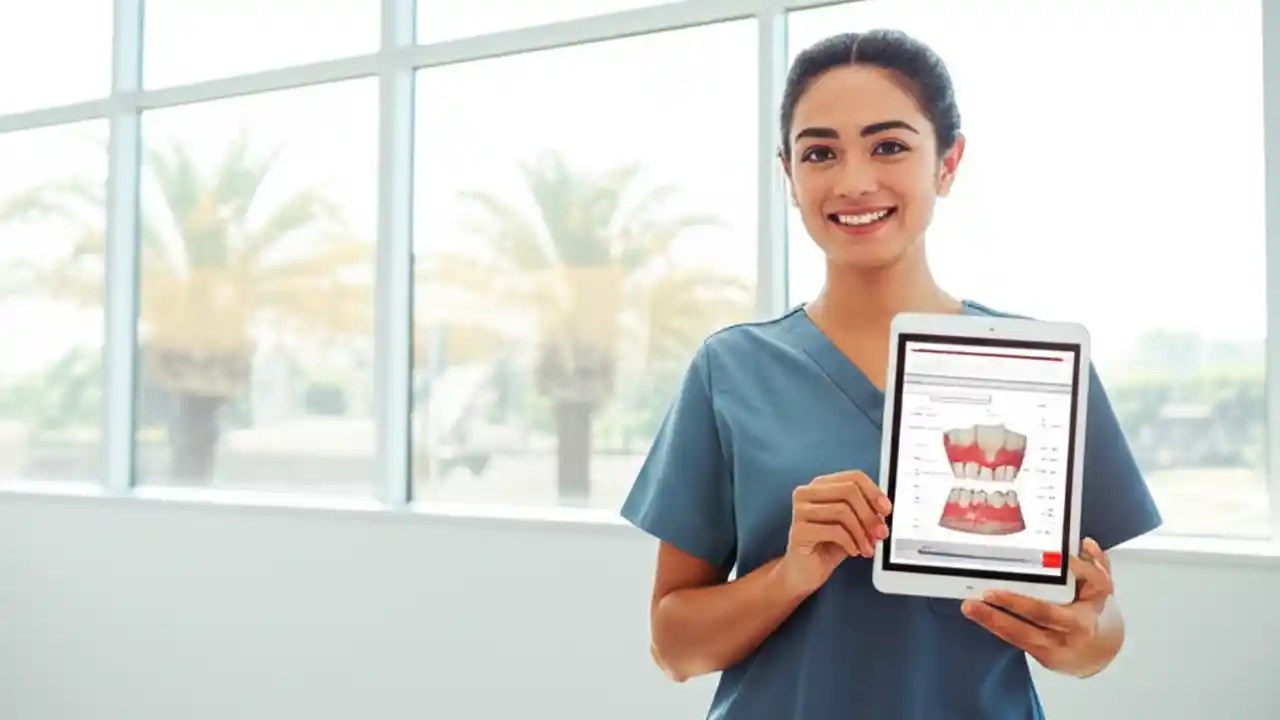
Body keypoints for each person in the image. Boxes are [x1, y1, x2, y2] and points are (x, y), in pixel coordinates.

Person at [619, 28, 1162, 719]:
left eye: (889, 146)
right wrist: (791, 574)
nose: (853, 181)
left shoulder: (1043, 369)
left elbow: (1099, 637)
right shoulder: (731, 369)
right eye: (820, 152)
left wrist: (1082, 637)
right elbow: (675, 648)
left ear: (948, 162)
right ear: (789, 174)